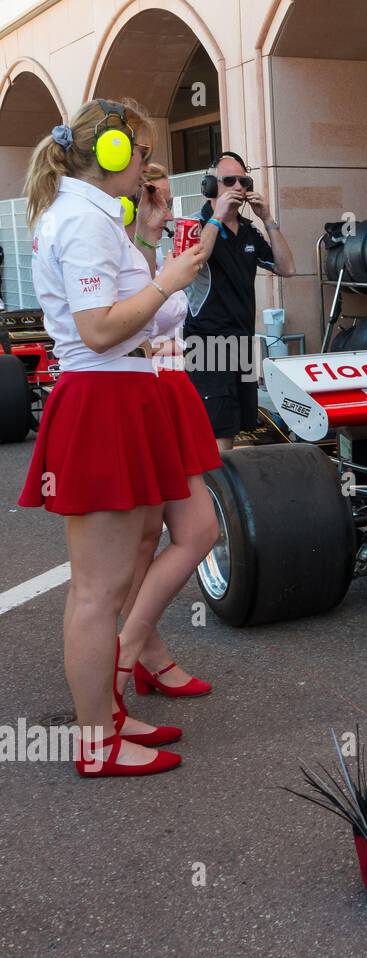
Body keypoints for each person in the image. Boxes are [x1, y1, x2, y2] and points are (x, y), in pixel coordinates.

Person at [17, 98, 205, 777]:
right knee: (97, 591)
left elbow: (126, 324)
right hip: (103, 395)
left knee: (111, 578)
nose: (148, 166)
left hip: (117, 393)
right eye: (139, 150)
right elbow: (100, 329)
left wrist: (158, 269)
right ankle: (97, 743)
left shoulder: (91, 216)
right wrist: (166, 281)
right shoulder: (84, 221)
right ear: (114, 154)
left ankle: (109, 721)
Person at [116, 163, 220, 701]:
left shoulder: (147, 244)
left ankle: (130, 650)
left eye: (160, 188)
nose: (158, 195)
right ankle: (138, 654)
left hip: (172, 387)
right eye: (147, 185)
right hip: (142, 388)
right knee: (139, 542)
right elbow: (119, 324)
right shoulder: (110, 243)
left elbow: (180, 294)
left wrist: (156, 224)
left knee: (196, 530)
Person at [185, 149, 295, 449]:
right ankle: (214, 494)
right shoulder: (195, 225)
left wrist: (268, 219)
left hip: (241, 342)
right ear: (210, 186)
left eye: (244, 181)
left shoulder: (248, 231)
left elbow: (287, 268)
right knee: (215, 437)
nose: (238, 188)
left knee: (235, 429)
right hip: (207, 345)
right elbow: (195, 260)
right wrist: (218, 216)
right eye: (229, 180)